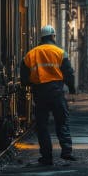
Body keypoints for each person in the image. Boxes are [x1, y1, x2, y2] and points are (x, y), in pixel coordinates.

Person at [20, 25, 76, 165]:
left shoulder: (31, 54)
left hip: (40, 93)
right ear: (53, 36)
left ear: (42, 37)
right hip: (56, 92)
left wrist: (31, 84)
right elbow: (68, 73)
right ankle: (67, 151)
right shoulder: (60, 52)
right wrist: (72, 88)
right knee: (62, 121)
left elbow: (24, 77)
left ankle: (47, 157)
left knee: (42, 126)